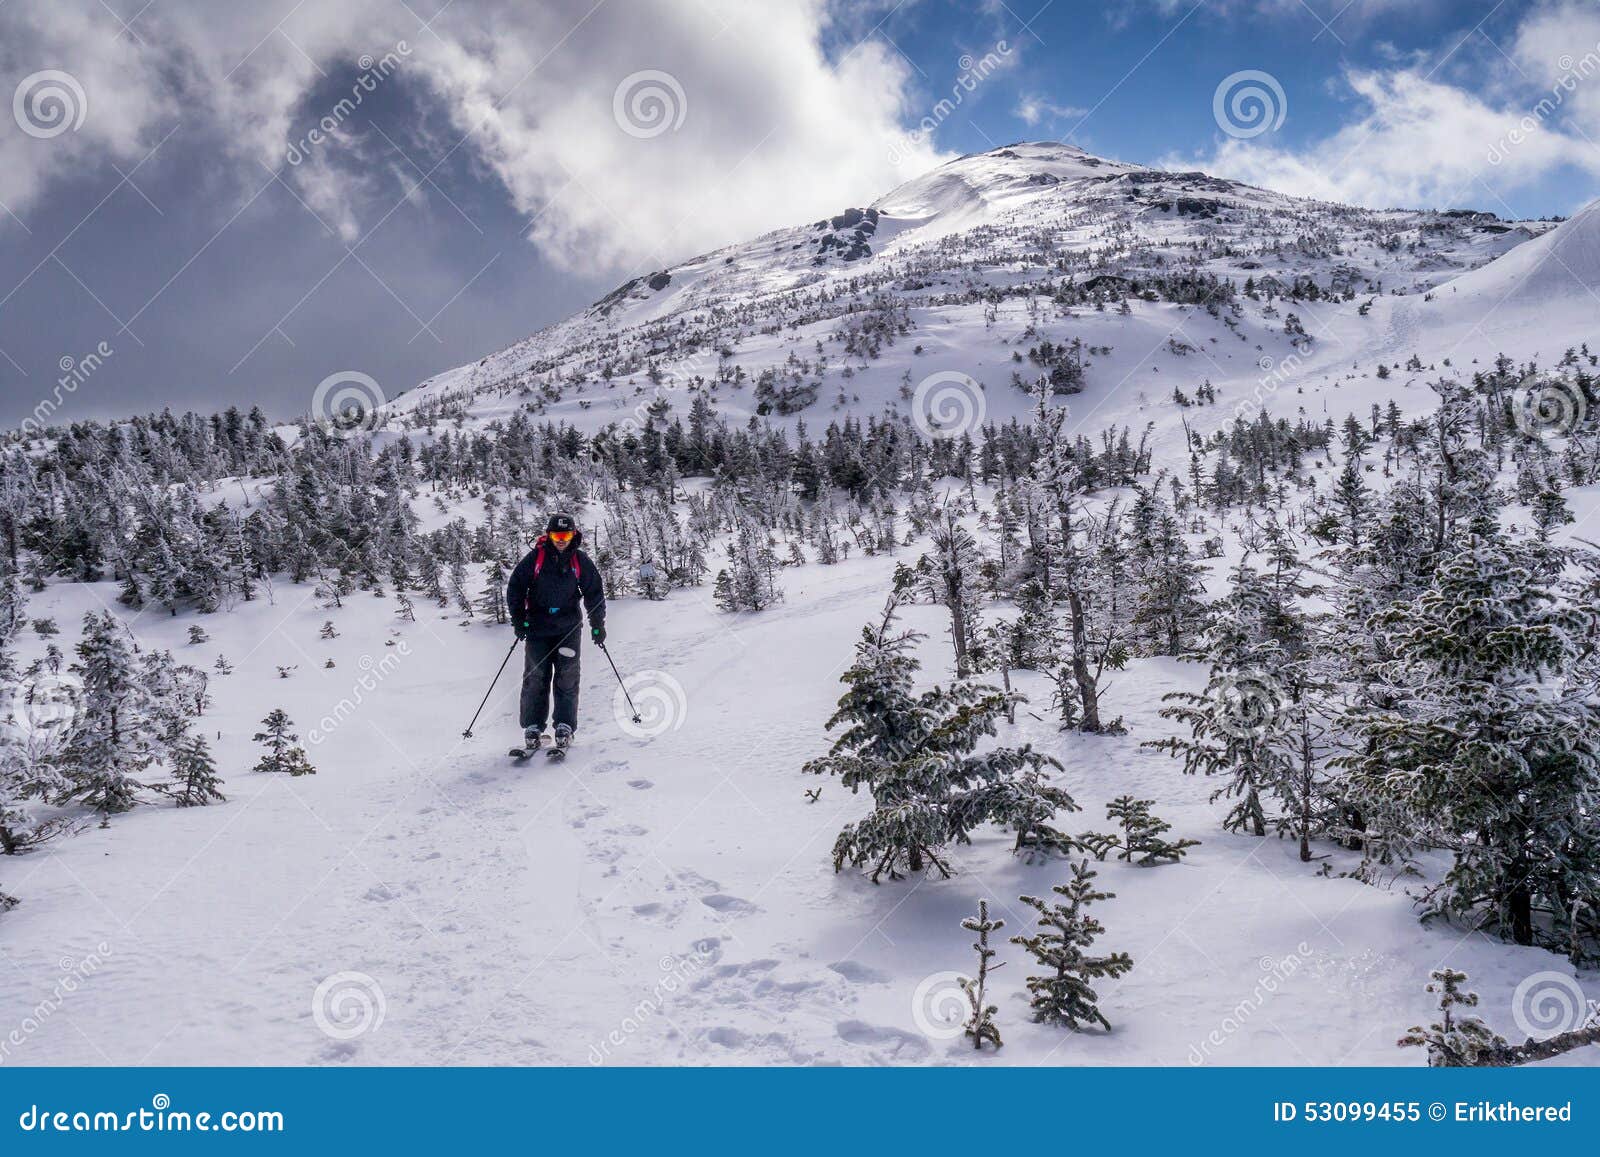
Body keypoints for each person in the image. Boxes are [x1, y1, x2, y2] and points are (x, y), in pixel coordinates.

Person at [505, 514, 606, 751]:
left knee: (567, 677)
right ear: (549, 535)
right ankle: (533, 727)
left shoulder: (579, 561)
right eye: (557, 535)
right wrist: (519, 620)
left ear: (573, 536)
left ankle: (564, 725)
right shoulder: (536, 559)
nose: (561, 540)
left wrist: (597, 623)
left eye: (566, 535)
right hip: (538, 628)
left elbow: (594, 592)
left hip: (568, 627)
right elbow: (515, 587)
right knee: (535, 677)